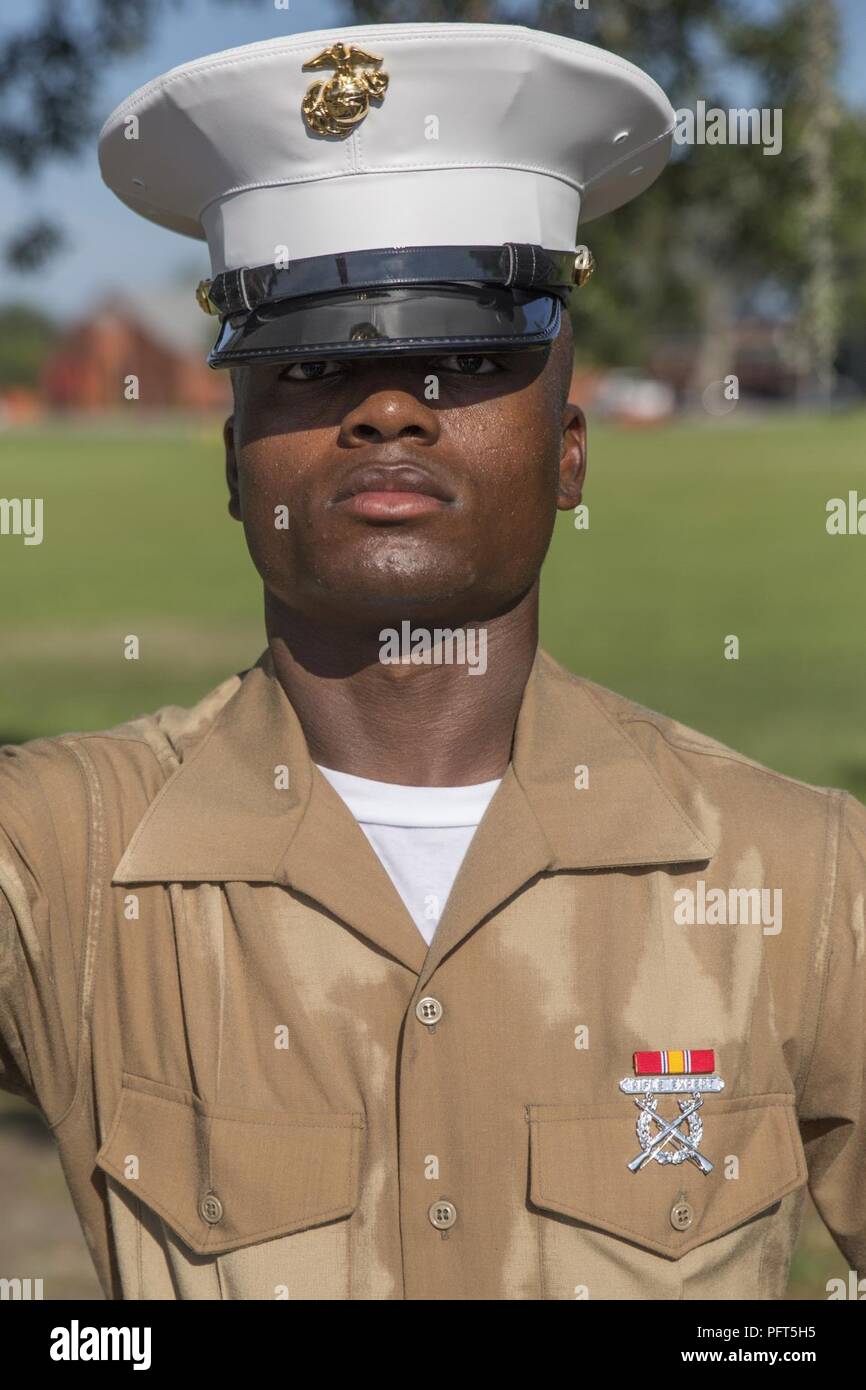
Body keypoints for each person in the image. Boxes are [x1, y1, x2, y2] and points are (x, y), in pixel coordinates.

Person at [1, 20, 863, 1302]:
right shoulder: (58, 859)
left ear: (570, 454)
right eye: (309, 362)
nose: (388, 408)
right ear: (233, 468)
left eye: (466, 358)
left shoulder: (797, 874)